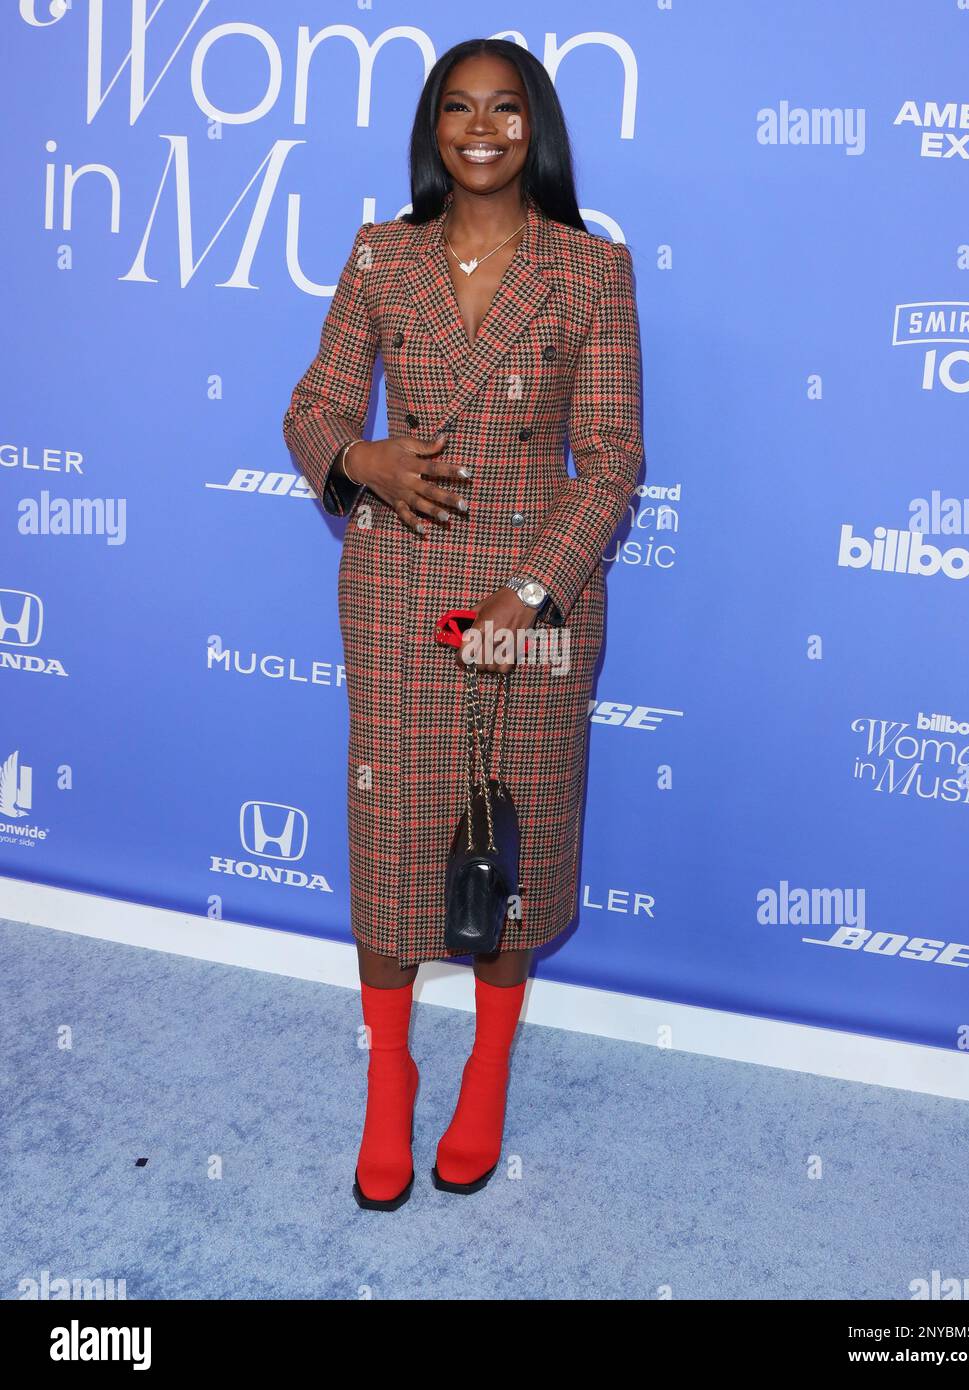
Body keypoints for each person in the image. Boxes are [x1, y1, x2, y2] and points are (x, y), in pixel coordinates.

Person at [282, 37, 644, 1210]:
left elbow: (613, 465)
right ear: (431, 127)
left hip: (531, 609)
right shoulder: (383, 255)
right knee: (390, 852)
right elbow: (315, 401)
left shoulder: (590, 271)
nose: (478, 127)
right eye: (456, 107)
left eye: (503, 108)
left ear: (533, 125)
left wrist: (533, 589)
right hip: (395, 593)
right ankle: (390, 1076)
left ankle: (486, 1068)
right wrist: (359, 455)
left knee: (509, 844)